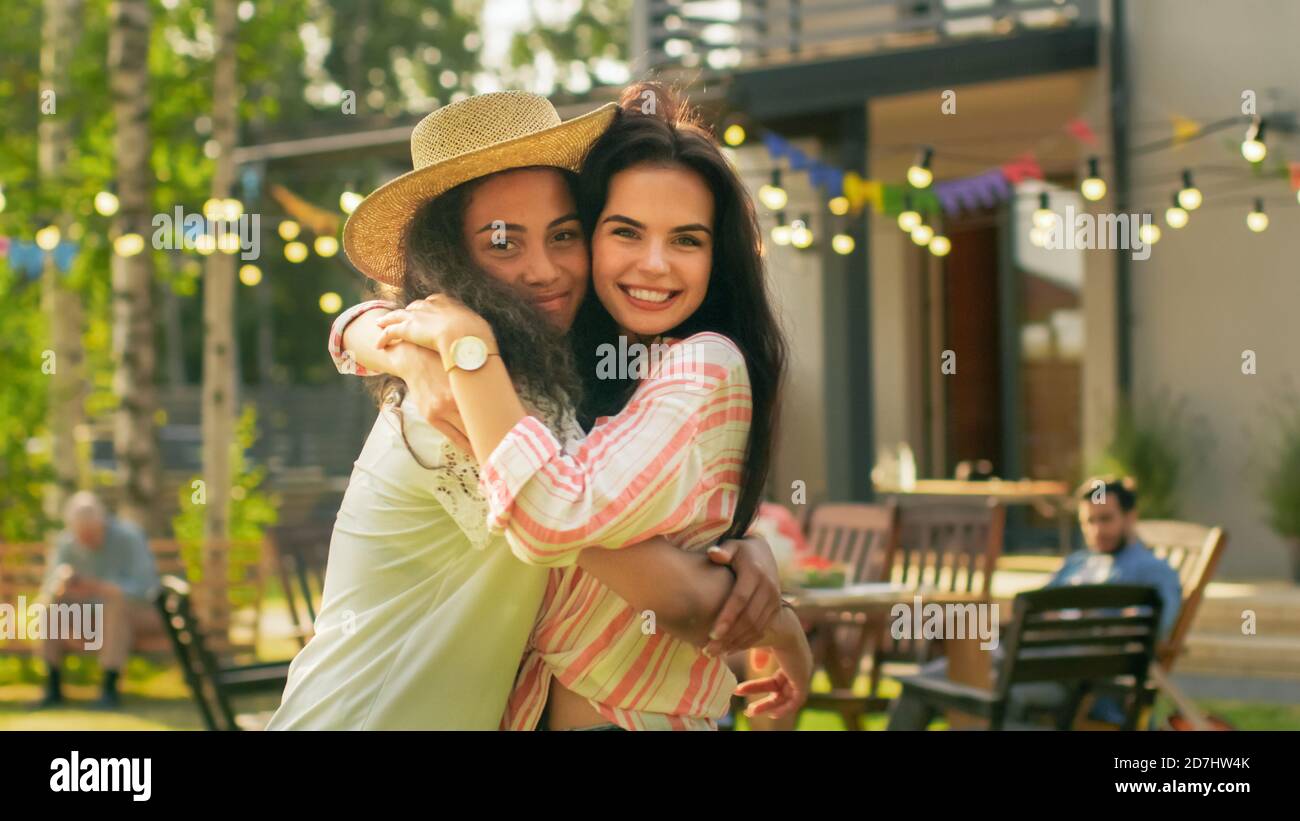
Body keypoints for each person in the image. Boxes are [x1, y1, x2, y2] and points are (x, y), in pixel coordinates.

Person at [268, 91, 792, 730]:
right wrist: (782, 624)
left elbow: (624, 517)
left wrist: (744, 546)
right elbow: (672, 594)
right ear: (450, 259)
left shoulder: (532, 381)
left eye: (563, 236)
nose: (544, 271)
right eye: (503, 244)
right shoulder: (463, 403)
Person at [886, 475, 1183, 729]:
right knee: (921, 684)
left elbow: (1156, 631)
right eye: (1089, 521)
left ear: (1130, 517)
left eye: (1106, 519)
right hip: (1015, 663)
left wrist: (1100, 626)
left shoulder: (1152, 571)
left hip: (1074, 681)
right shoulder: (1079, 563)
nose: (1096, 530)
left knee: (990, 697)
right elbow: (1031, 610)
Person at [35, 491, 160, 709]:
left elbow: (147, 586)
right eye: (81, 535)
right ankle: (52, 685)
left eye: (91, 533)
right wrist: (62, 584)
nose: (87, 540)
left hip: (139, 615)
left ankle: (109, 688)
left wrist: (103, 588)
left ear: (103, 522)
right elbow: (49, 586)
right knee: (52, 607)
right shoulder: (66, 543)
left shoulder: (129, 537)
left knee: (114, 605)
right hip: (91, 621)